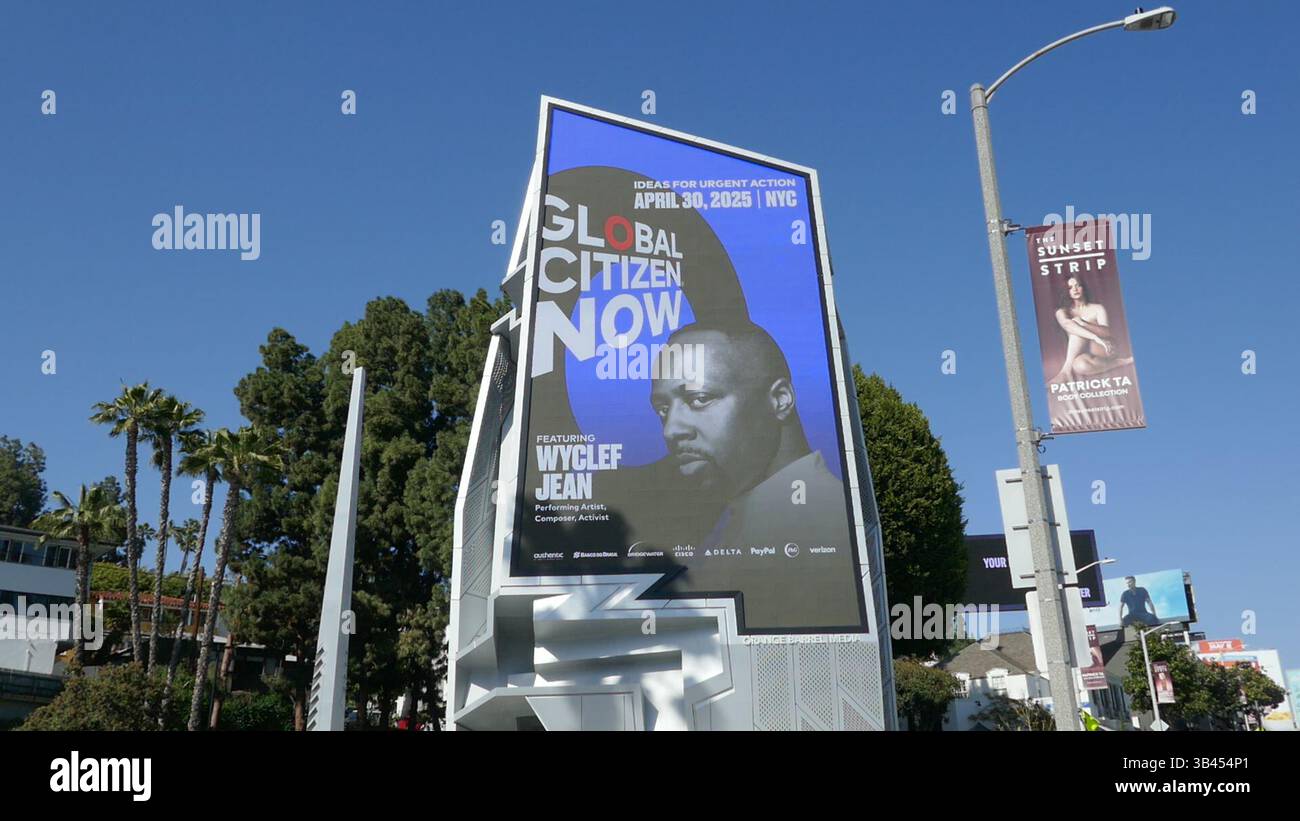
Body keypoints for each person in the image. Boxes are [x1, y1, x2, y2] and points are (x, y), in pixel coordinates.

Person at [649, 320, 848, 551]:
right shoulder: (740, 525)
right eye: (663, 410)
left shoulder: (826, 525)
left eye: (700, 399)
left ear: (780, 399)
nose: (670, 430)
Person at [1049, 275, 1134, 385]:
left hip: (1103, 348)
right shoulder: (1061, 311)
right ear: (1067, 292)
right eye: (1070, 287)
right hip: (1083, 354)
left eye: (1078, 285)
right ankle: (1120, 362)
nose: (1074, 289)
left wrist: (1084, 323)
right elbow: (1066, 324)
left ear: (1083, 288)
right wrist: (1095, 337)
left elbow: (1107, 332)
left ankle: (1065, 372)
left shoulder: (1098, 308)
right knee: (1080, 366)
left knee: (1077, 326)